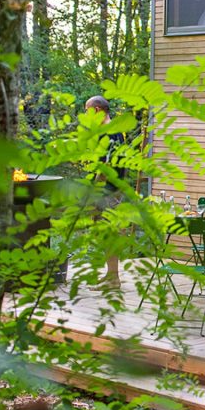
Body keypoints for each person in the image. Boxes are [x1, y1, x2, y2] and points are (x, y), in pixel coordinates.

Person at [85, 95, 124, 286]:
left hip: (108, 192)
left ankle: (114, 278)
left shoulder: (109, 133)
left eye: (87, 110)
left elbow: (107, 167)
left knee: (109, 234)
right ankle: (111, 274)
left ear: (97, 110)